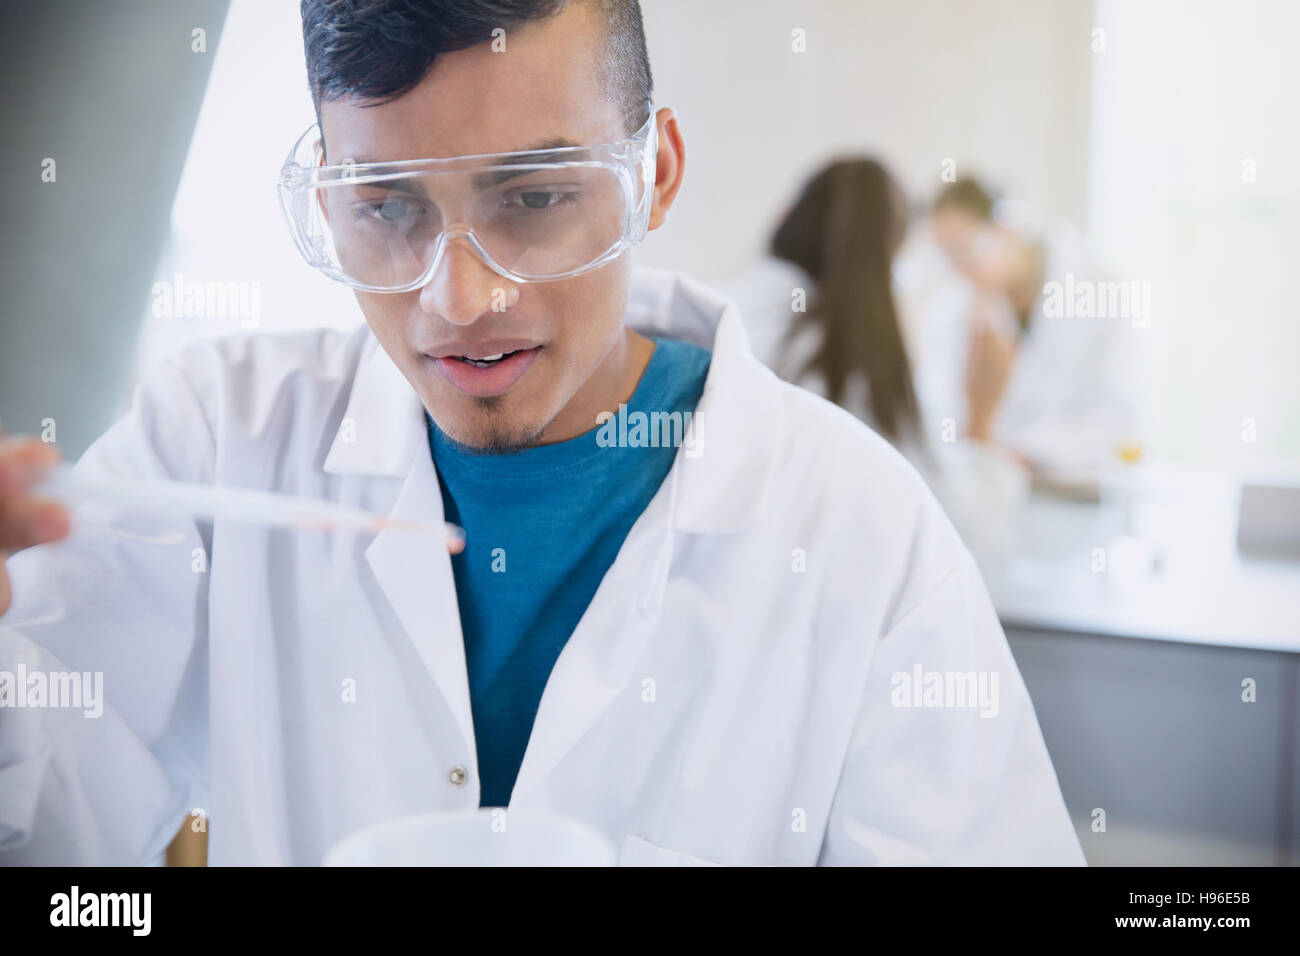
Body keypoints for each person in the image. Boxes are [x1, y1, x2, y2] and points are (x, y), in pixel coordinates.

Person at [0, 0, 1083, 866]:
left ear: (652, 172)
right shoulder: (214, 436)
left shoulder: (861, 532)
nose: (458, 300)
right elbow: (50, 823)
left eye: (533, 197)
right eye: (386, 207)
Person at [719, 159, 1029, 565]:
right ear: (890, 262)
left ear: (787, 215)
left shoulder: (726, 310)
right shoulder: (852, 366)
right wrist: (983, 420)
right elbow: (955, 533)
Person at [901, 177, 1142, 480]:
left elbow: (1116, 420)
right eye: (946, 257)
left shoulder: (1097, 290)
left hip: (1076, 497)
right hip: (993, 494)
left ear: (1005, 227)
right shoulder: (955, 310)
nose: (960, 269)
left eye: (965, 249)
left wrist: (1022, 451)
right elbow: (938, 414)